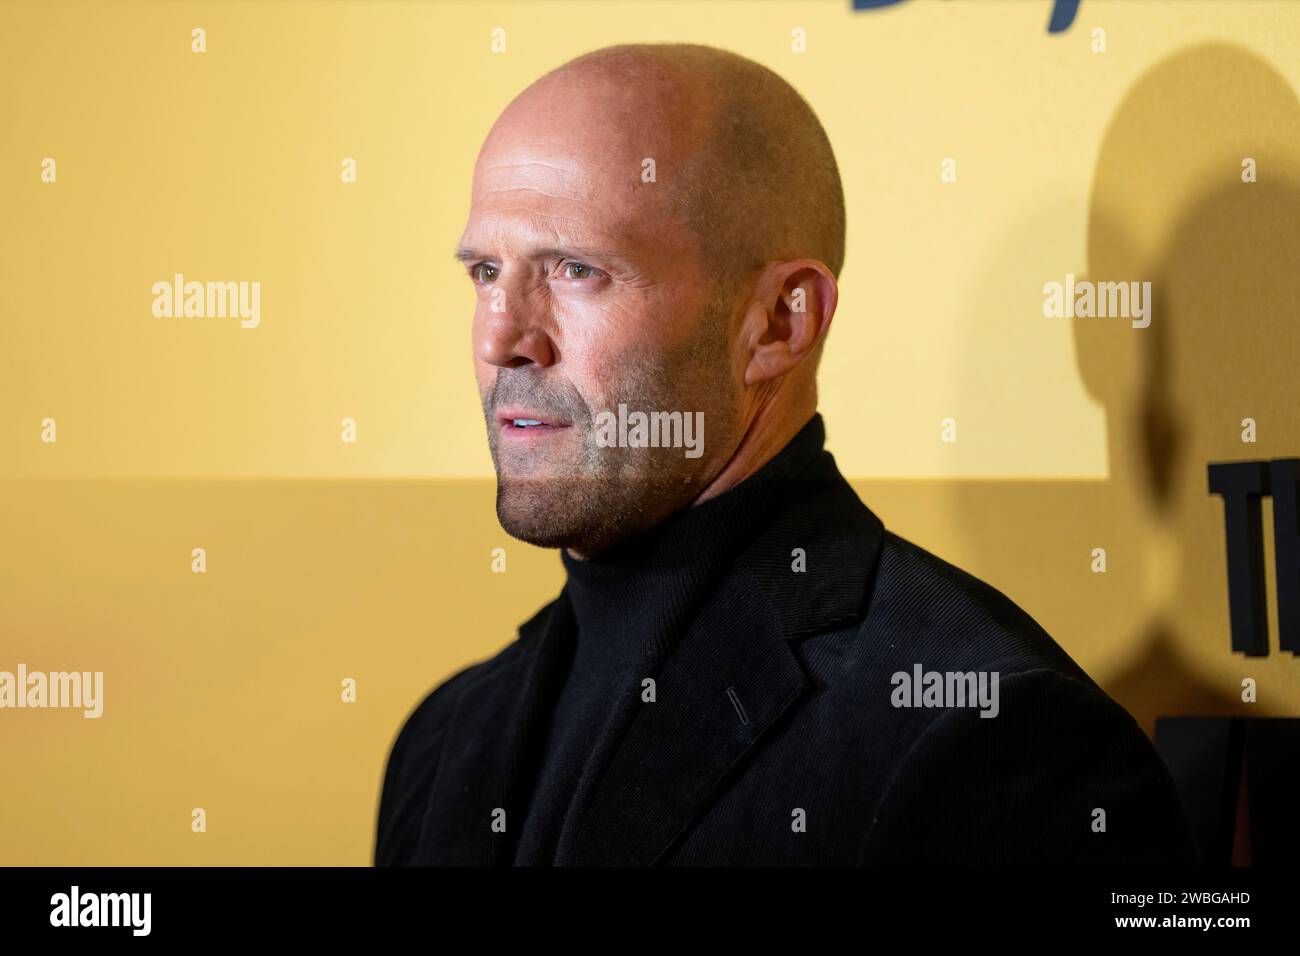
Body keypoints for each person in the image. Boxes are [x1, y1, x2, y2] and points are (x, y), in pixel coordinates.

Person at [374, 42, 1199, 866]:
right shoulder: (445, 737)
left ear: (778, 322)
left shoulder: (991, 738)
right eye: (485, 271)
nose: (501, 338)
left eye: (577, 270)